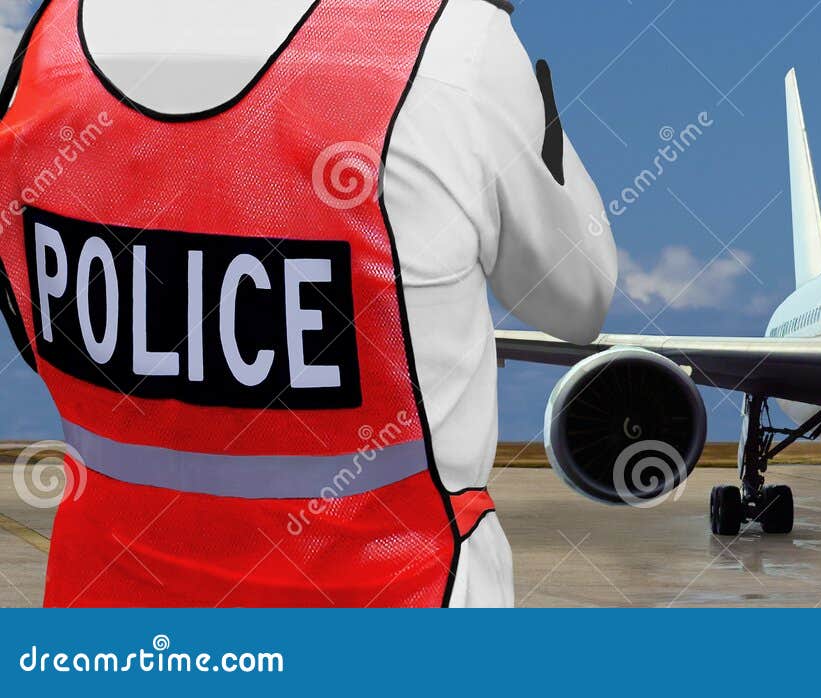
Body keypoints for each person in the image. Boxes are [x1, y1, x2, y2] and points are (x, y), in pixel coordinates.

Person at [0, 0, 615, 607]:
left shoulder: (49, 46)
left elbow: (34, 331)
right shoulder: (451, 40)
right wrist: (530, 108)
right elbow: (578, 302)